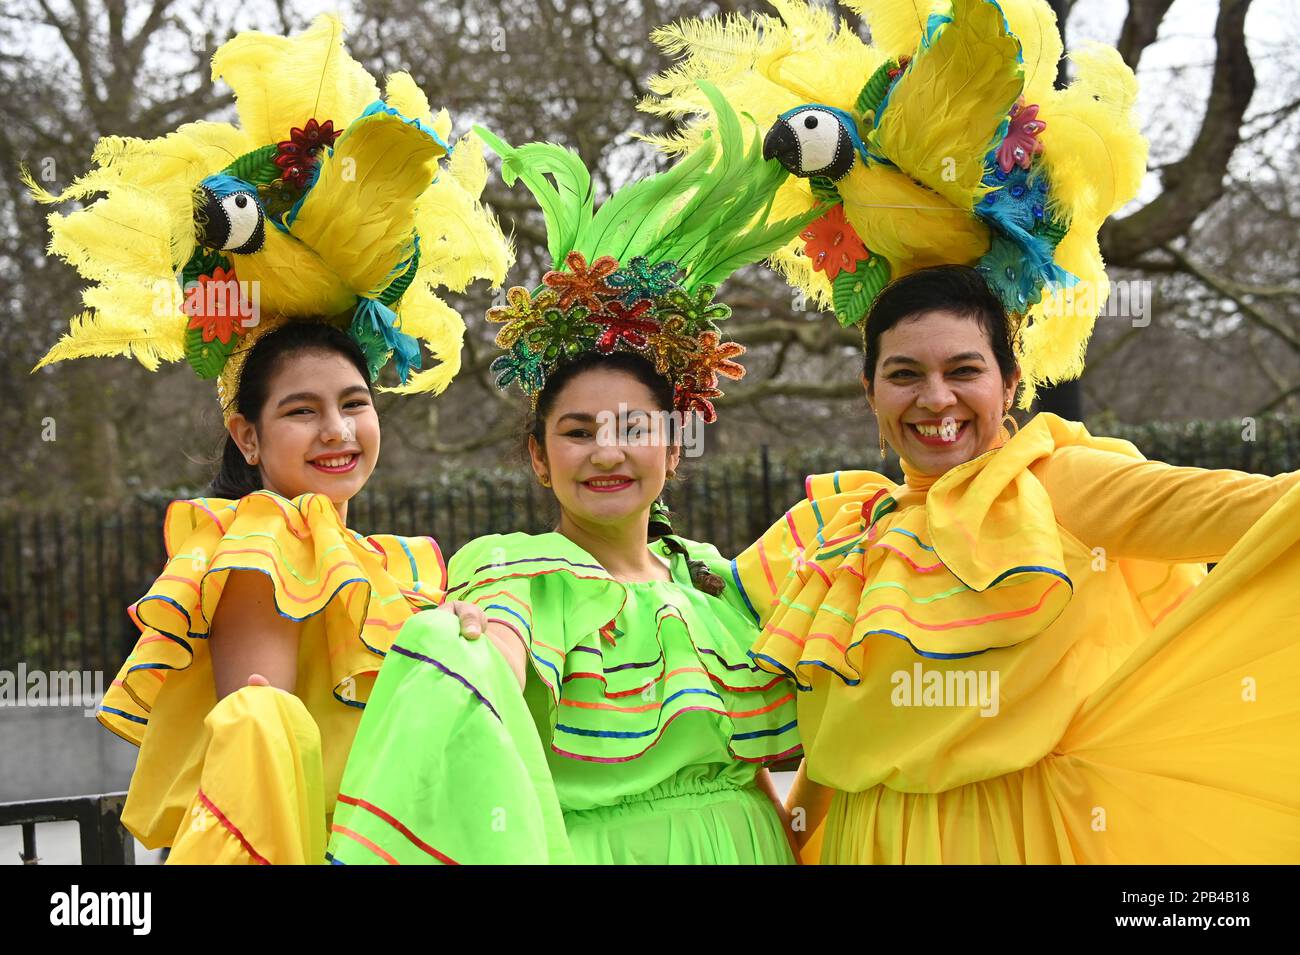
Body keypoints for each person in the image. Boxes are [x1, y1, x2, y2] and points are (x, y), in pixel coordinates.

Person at [646, 0, 1300, 862]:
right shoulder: (829, 534)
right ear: (869, 390)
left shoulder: (1061, 484)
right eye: (904, 374)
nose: (936, 399)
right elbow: (691, 627)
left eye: (963, 370)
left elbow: (1266, 511)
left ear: (1010, 382)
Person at [30, 15, 509, 863]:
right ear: (245, 435)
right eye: (302, 411)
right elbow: (263, 760)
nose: (338, 430)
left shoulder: (378, 560)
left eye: (354, 402)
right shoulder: (263, 542)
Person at [326, 84, 812, 865]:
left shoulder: (721, 585)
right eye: (578, 433)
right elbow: (491, 660)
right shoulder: (517, 574)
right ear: (539, 457)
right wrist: (469, 649)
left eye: (633, 429)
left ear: (673, 448)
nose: (606, 453)